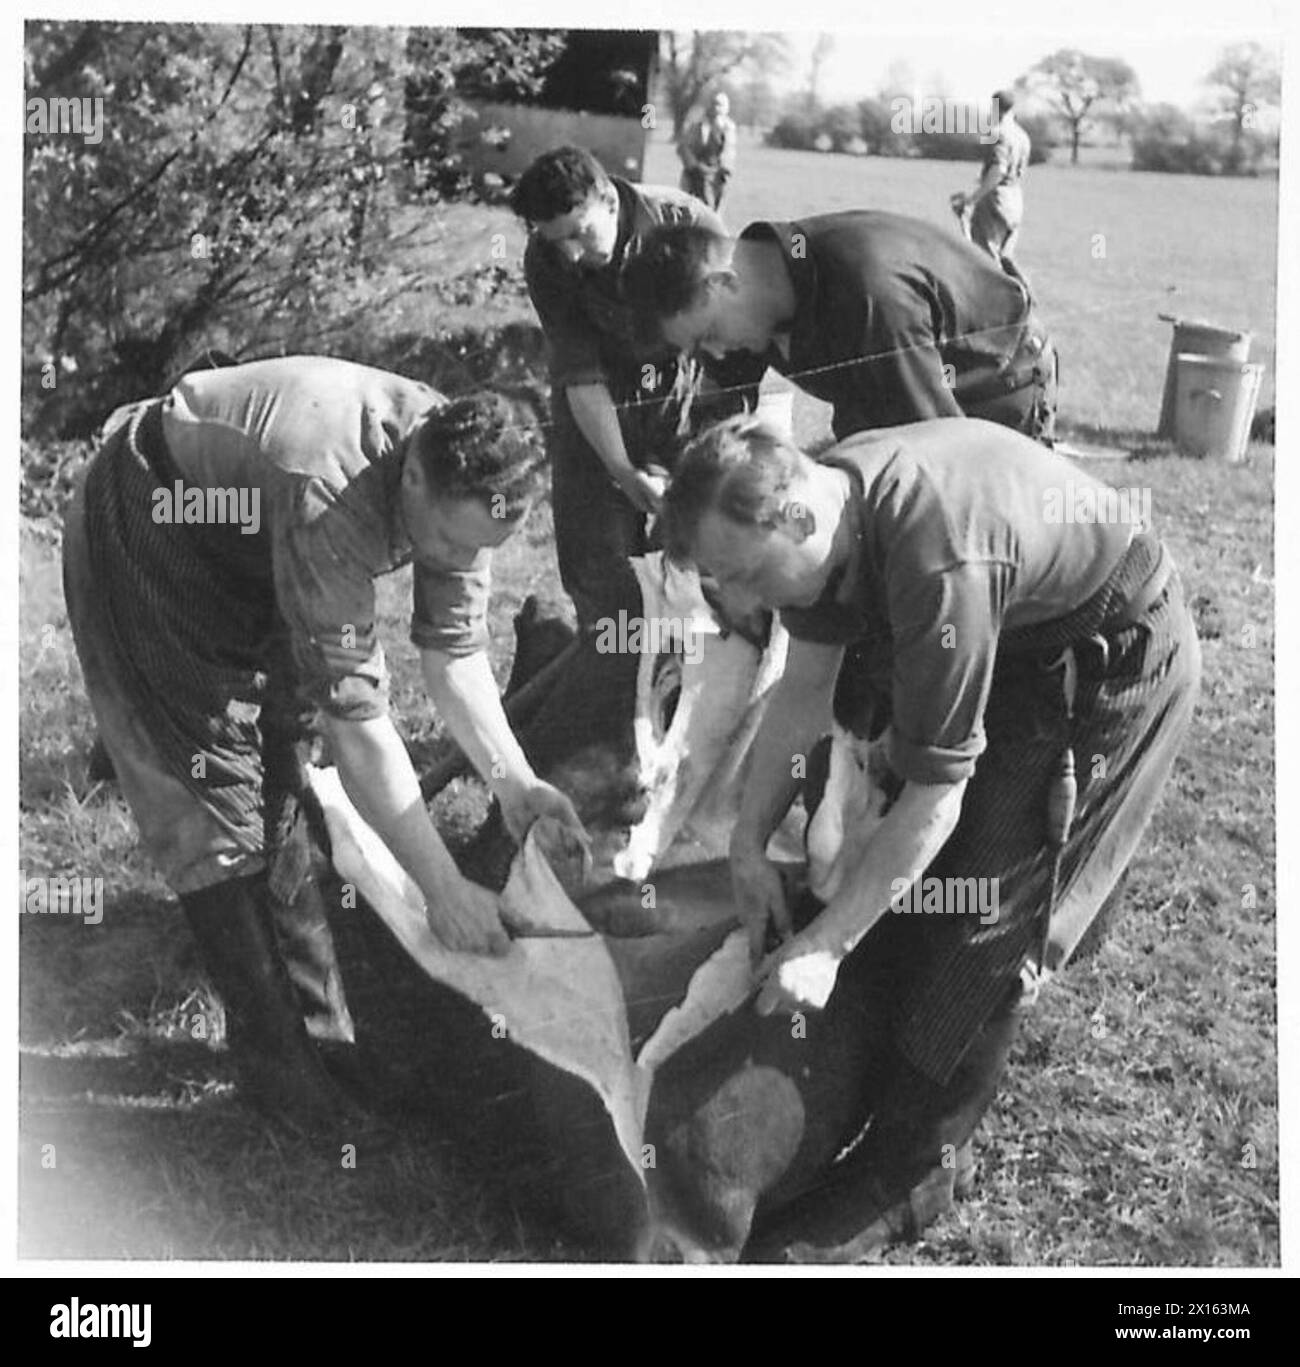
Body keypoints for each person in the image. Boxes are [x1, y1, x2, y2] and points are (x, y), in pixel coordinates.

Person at [659, 412, 1200, 1260]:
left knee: (993, 906)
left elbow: (935, 794)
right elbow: (803, 688)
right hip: (1018, 636)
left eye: (753, 575)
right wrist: (746, 843)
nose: (755, 601)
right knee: (918, 876)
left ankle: (913, 1170)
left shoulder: (933, 554)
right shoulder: (824, 509)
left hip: (1111, 650)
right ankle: (886, 1077)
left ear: (796, 517)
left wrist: (827, 948)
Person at [63, 357, 588, 1139]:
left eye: (478, 546)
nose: (454, 560)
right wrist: (441, 886)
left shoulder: (472, 469)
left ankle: (324, 1035)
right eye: (444, 541)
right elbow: (356, 720)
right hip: (149, 519)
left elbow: (452, 652)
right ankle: (278, 1074)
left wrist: (513, 782)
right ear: (411, 478)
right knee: (211, 796)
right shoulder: (330, 489)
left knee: (283, 763)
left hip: (249, 541)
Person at [509, 144, 741, 631]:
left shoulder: (686, 223)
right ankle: (609, 670)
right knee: (599, 571)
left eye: (578, 233)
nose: (570, 255)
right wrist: (621, 468)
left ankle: (687, 680)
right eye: (556, 241)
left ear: (610, 202)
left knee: (706, 554)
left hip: (684, 392)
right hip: (598, 405)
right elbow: (580, 373)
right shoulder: (547, 260)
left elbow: (732, 342)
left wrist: (705, 444)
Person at [624, 209, 1058, 444]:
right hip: (890, 395)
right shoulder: (753, 292)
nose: (716, 353)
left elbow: (934, 448)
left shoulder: (871, 296)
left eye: (708, 338)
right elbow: (718, 416)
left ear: (724, 284)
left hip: (994, 380)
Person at [954, 88, 1032, 272]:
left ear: (996, 107)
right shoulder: (1023, 136)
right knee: (1005, 261)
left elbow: (998, 170)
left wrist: (972, 200)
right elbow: (1014, 172)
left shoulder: (997, 133)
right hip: (1015, 203)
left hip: (995, 203)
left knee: (987, 265)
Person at [677, 91, 738, 210]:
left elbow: (729, 151)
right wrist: (695, 167)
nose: (716, 108)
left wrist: (724, 169)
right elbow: (683, 147)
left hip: (717, 175)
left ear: (726, 108)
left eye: (720, 105)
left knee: (715, 210)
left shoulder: (728, 128)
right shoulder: (696, 125)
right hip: (697, 174)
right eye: (714, 104)